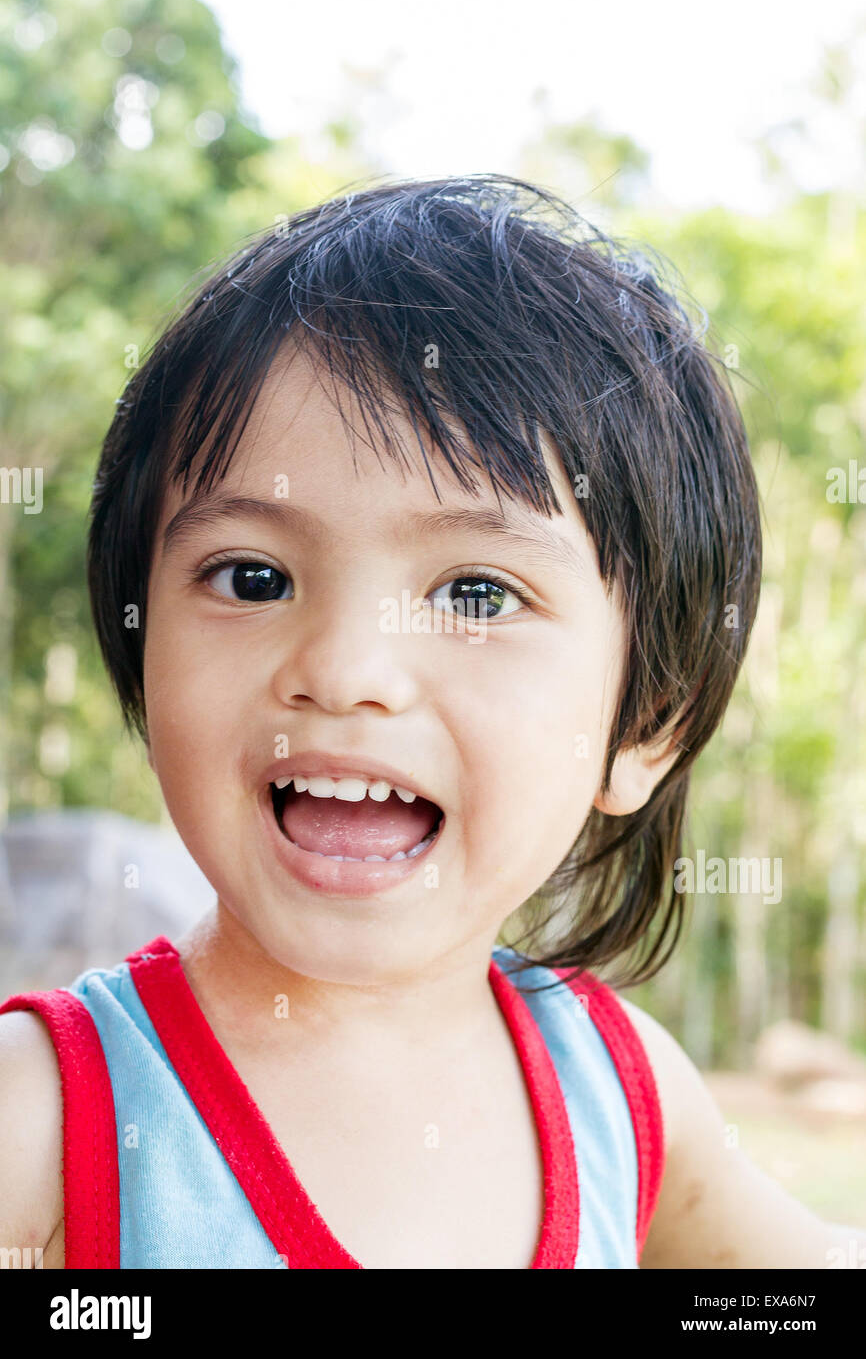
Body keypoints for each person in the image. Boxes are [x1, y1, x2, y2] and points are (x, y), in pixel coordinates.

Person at [1, 175, 860, 1269]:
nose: (346, 668)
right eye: (254, 576)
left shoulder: (619, 1097)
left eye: (476, 594)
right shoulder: (47, 1122)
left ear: (644, 721)